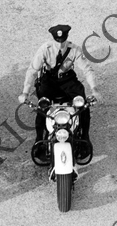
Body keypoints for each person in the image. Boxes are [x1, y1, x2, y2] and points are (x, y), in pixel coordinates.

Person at [19, 25, 101, 153]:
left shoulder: (74, 49)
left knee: (83, 104)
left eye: (63, 40)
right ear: (53, 39)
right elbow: (33, 70)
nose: (61, 44)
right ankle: (39, 140)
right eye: (58, 41)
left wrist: (94, 89)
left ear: (67, 38)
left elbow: (87, 69)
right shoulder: (45, 49)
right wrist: (25, 92)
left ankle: (85, 136)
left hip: (67, 80)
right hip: (49, 81)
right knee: (42, 107)